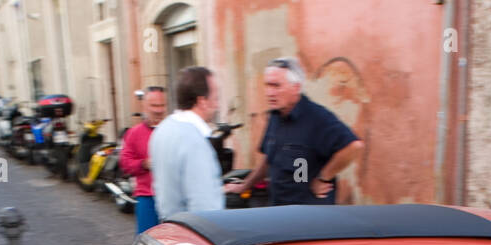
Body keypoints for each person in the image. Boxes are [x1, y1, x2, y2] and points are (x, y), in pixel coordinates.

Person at [230, 56, 363, 206]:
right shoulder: (275, 116)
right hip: (279, 209)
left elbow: (353, 146)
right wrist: (245, 186)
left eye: (276, 86)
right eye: (267, 85)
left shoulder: (317, 118)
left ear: (296, 87)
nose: (269, 93)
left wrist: (324, 177)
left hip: (308, 217)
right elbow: (268, 160)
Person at [149, 67, 225, 220]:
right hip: (193, 233)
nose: (217, 105)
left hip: (170, 227)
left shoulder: (162, 130)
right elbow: (205, 206)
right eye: (215, 98)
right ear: (202, 101)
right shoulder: (194, 140)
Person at [119, 86, 167, 232]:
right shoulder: (134, 133)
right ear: (144, 106)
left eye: (162, 105)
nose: (158, 110)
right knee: (147, 241)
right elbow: (125, 163)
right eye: (154, 105)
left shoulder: (174, 130)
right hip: (147, 198)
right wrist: (144, 164)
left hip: (175, 198)